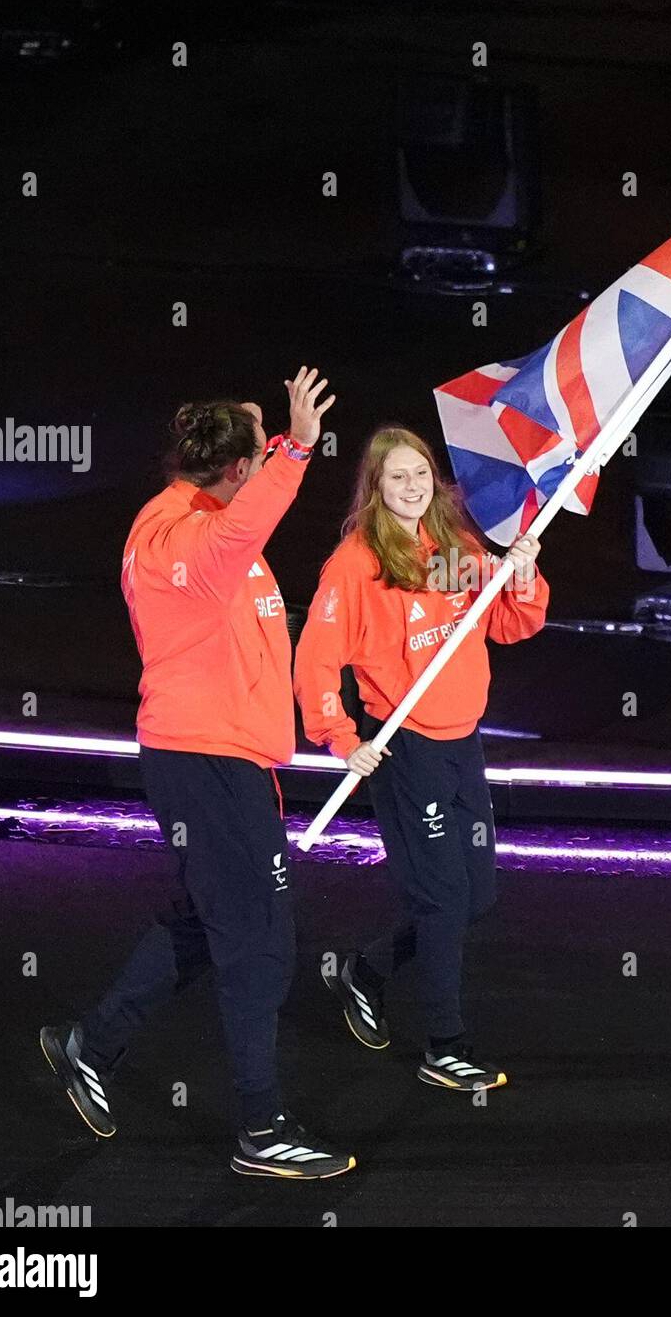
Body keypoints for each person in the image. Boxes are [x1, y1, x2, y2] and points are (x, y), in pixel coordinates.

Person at [40, 366, 356, 1180]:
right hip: (201, 760)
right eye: (258, 443)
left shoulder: (214, 515)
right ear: (239, 469)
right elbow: (236, 533)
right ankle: (262, 1130)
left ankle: (91, 1044)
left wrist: (273, 444)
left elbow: (242, 515)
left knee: (209, 921)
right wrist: (299, 449)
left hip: (231, 759)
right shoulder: (180, 536)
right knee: (259, 943)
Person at [295, 425, 547, 1090]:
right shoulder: (357, 564)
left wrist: (520, 575)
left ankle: (366, 972)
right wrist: (340, 737)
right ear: (374, 487)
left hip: (461, 741)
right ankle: (445, 1045)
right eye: (396, 477)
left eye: (419, 475)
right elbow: (316, 659)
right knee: (442, 898)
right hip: (403, 750)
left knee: (477, 895)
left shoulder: (446, 550)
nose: (410, 488)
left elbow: (510, 622)